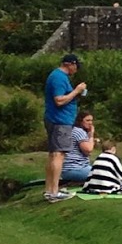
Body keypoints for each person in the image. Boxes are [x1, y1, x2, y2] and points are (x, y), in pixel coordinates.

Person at [42, 52, 86, 202]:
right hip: (59, 121)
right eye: (76, 66)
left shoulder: (59, 77)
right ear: (70, 64)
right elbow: (59, 100)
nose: (76, 70)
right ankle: (54, 192)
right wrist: (77, 91)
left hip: (58, 120)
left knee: (54, 154)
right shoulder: (59, 77)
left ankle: (49, 190)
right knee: (58, 155)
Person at [62, 110, 97, 184]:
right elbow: (88, 149)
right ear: (80, 121)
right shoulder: (79, 131)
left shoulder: (73, 130)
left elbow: (86, 153)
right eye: (87, 120)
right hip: (75, 168)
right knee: (102, 173)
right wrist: (91, 135)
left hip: (66, 169)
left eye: (91, 120)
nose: (90, 123)